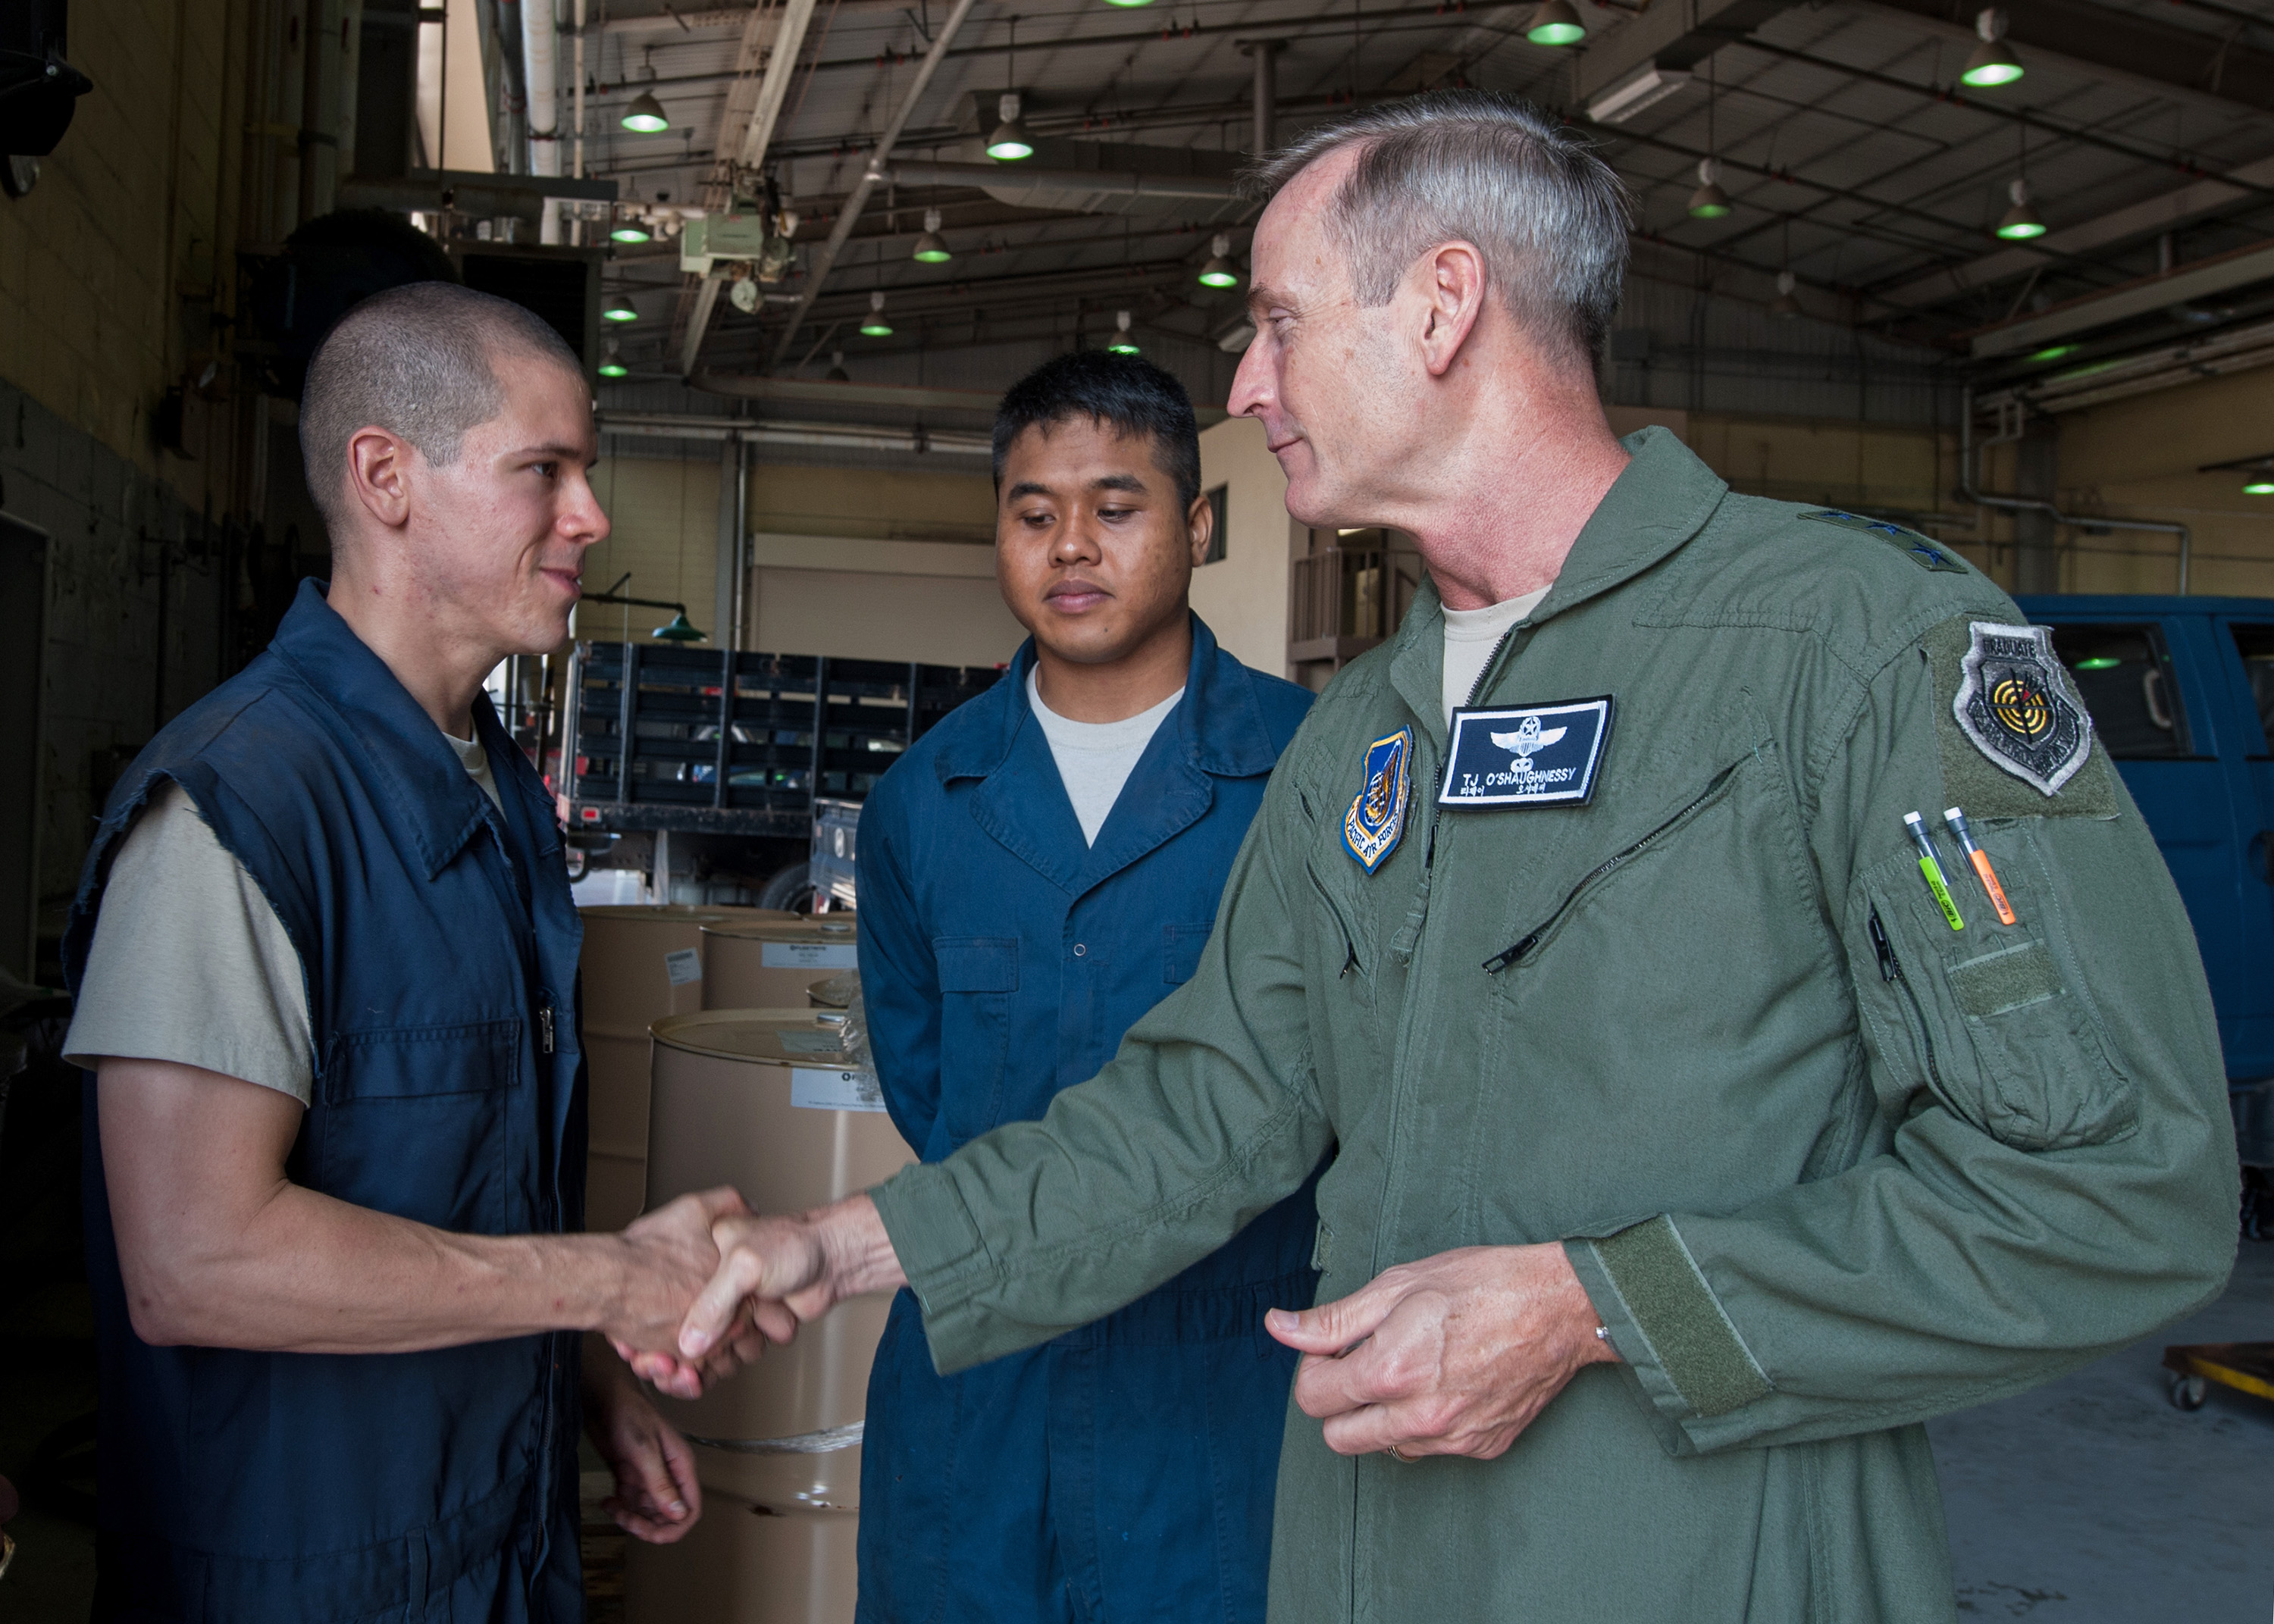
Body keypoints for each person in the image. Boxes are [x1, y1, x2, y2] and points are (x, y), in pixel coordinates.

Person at [651, 94, 2239, 1621]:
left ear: (1441, 306)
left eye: (1276, 320)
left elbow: (2111, 1187)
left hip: (1694, 1559)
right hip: (1363, 1550)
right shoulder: (1364, 735)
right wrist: (844, 1241)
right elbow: (1206, 1106)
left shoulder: (1847, 650)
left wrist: (1596, 1309)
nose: (1245, 376)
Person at [61, 282, 753, 1621]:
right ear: (386, 477)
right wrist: (609, 1280)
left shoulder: (497, 796)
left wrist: (593, 1375)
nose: (592, 518)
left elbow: (472, 1184)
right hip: (299, 1577)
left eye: (586, 473)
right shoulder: (238, 809)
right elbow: (196, 1259)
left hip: (491, 1546)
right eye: (543, 471)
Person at [849, 351, 1319, 1623]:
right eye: (1033, 511)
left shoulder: (1311, 781)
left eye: (1117, 509)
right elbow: (924, 1082)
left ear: (1199, 526)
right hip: (978, 1390)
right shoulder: (922, 805)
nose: (1072, 546)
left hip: (1224, 1396)